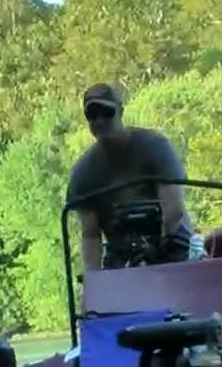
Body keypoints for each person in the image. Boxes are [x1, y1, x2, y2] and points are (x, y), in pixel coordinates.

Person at [65, 82, 204, 271]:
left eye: (106, 113)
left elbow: (174, 211)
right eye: (92, 115)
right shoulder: (83, 174)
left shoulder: (155, 147)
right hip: (121, 261)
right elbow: (90, 236)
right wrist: (92, 282)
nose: (99, 121)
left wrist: (159, 252)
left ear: (120, 112)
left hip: (174, 248)